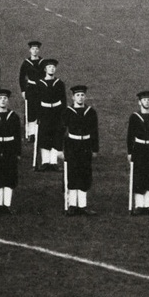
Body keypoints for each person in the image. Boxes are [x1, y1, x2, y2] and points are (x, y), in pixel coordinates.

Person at [61, 85, 99, 216]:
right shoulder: (67, 112)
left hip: (86, 145)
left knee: (84, 174)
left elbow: (95, 132)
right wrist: (61, 149)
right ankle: (72, 205)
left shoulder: (91, 112)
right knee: (72, 173)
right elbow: (61, 131)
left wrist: (95, 149)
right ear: (73, 97)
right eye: (77, 95)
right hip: (72, 145)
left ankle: (82, 206)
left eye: (82, 95)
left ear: (85, 97)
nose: (80, 97)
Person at [127, 91, 149, 216]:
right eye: (144, 100)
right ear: (139, 102)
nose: (147, 102)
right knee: (139, 176)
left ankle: (148, 206)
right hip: (139, 149)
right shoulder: (134, 117)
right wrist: (130, 152)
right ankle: (138, 205)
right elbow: (130, 135)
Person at [35, 58, 65, 172]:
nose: (51, 69)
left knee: (56, 136)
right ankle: (45, 162)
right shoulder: (40, 84)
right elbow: (36, 101)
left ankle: (53, 162)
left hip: (56, 112)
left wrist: (63, 115)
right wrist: (38, 116)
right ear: (45, 69)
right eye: (49, 67)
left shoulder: (59, 83)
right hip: (45, 112)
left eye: (53, 67)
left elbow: (63, 100)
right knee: (44, 136)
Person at [19, 41, 44, 142]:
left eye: (37, 49)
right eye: (33, 49)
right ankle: (30, 133)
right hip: (31, 89)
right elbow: (21, 77)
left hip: (41, 88)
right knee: (30, 111)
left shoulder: (43, 62)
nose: (35, 51)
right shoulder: (26, 63)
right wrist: (23, 90)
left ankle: (39, 132)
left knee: (40, 109)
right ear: (30, 50)